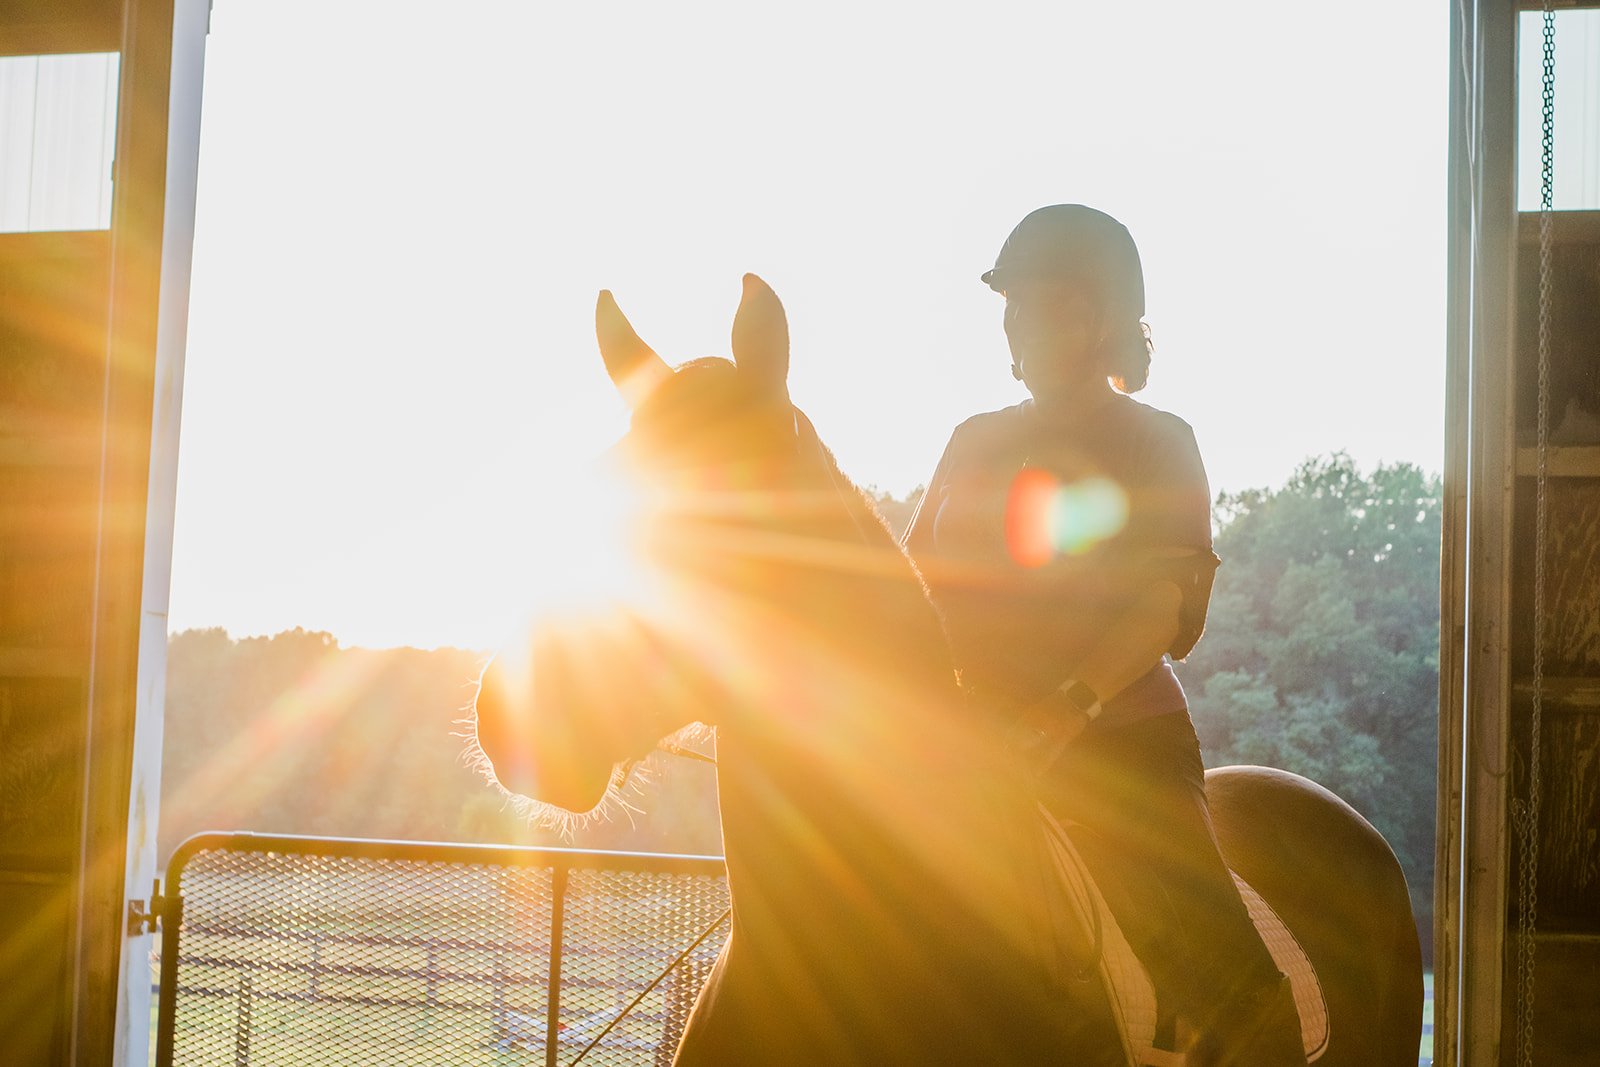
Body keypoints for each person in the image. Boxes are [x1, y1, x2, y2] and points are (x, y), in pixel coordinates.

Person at [902, 205, 1304, 1065]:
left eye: (1038, 304)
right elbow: (913, 581)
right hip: (968, 738)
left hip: (1117, 739)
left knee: (1235, 995)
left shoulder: (1158, 441)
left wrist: (1063, 708)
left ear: (1101, 321)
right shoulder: (972, 440)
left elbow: (1161, 599)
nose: (1015, 325)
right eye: (1010, 306)